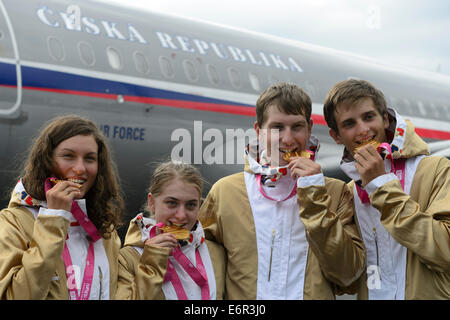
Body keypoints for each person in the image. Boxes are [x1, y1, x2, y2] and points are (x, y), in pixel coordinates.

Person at [198, 82, 366, 299]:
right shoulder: (225, 192)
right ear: (259, 131)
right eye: (277, 128)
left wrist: (315, 197)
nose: (288, 139)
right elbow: (202, 273)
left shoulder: (335, 192)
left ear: (309, 129)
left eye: (297, 127)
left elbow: (348, 275)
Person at [323, 79, 450, 299]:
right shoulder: (350, 192)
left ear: (385, 119)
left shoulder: (435, 169)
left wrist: (381, 185)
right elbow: (346, 279)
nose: (363, 130)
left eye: (369, 117)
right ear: (336, 136)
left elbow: (444, 252)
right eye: (349, 124)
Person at [0, 114, 124, 299]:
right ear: (47, 161)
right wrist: (53, 219)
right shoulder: (14, 221)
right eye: (68, 156)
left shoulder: (104, 230)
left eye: (90, 158)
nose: (80, 168)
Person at [116, 161, 218, 300]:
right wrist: (152, 260)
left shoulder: (215, 253)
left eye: (191, 205)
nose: (181, 215)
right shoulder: (127, 259)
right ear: (152, 203)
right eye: (172, 203)